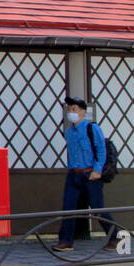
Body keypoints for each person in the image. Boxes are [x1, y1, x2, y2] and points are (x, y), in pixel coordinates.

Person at [53, 97, 115, 252]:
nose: (71, 112)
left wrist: (97, 170)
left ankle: (116, 237)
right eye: (69, 109)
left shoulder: (92, 128)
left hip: (90, 174)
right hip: (74, 173)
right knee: (69, 208)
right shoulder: (69, 132)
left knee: (97, 208)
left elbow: (101, 149)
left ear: (82, 111)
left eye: (74, 109)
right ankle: (66, 241)